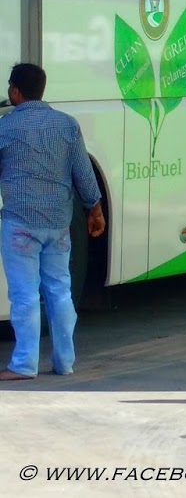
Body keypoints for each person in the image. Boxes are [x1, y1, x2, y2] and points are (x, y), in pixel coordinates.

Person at [0, 62, 104, 381]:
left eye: (9, 87)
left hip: (20, 223)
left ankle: (24, 364)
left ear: (15, 91)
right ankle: (64, 362)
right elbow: (83, 173)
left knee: (25, 294)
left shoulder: (5, 128)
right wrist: (95, 210)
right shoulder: (67, 125)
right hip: (58, 223)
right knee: (60, 290)